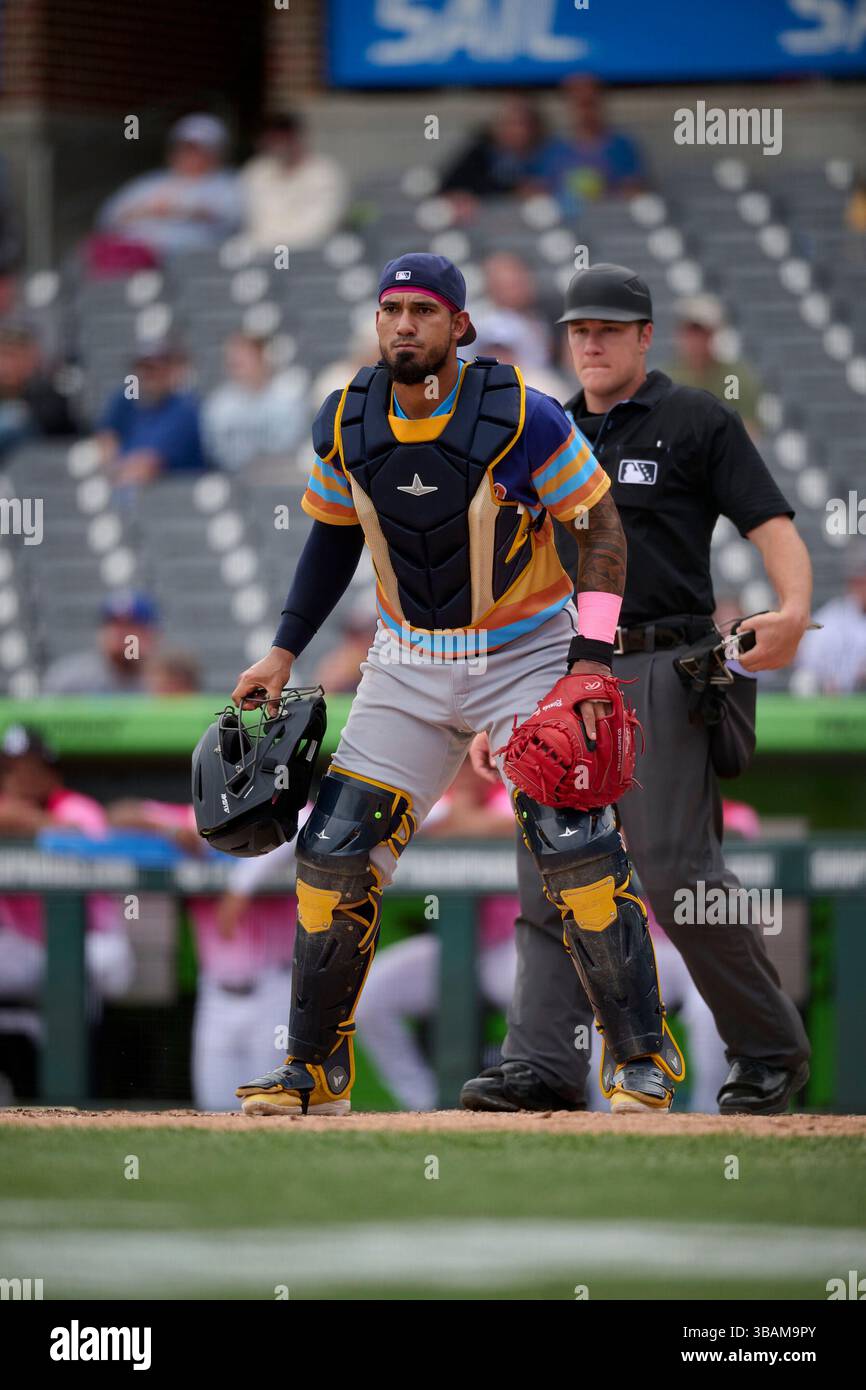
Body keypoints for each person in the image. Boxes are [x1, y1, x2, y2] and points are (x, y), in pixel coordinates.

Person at [229, 250, 685, 1118]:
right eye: (391, 309)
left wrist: (588, 660)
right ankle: (314, 1071)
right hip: (407, 661)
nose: (405, 324)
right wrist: (284, 650)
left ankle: (639, 1058)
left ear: (459, 326)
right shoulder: (345, 420)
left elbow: (599, 529)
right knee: (331, 857)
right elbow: (331, 539)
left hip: (524, 652)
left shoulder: (522, 415)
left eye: (424, 311)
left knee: (576, 846)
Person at [461, 263, 813, 1117]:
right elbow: (519, 575)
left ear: (645, 336)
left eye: (609, 329)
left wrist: (795, 610)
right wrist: (495, 694)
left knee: (673, 872)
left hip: (662, 662)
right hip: (558, 669)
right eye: (580, 329)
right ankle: (543, 1064)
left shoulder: (695, 417)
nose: (591, 342)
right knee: (552, 870)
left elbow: (770, 524)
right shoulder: (541, 430)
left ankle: (767, 1051)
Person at [355, 759, 518, 1111]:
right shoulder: (434, 802)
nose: (460, 776)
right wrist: (455, 818)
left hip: (511, 947)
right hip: (451, 948)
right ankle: (423, 1102)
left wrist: (462, 820)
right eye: (454, 767)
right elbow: (394, 829)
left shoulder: (506, 794)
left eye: (466, 766)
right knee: (369, 999)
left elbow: (505, 826)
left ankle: (539, 1100)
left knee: (540, 1001)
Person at [0, 725, 133, 1100]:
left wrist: (30, 823)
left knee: (86, 964)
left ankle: (76, 1082)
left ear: (51, 773)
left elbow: (79, 835)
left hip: (88, 947)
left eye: (30, 768)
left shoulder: (76, 806)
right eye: (12, 769)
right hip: (22, 953)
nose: (21, 778)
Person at [95, 113, 243, 260]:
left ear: (216, 153)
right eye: (183, 148)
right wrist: (146, 210)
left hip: (192, 263)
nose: (188, 155)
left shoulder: (228, 184)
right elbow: (108, 216)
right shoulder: (151, 181)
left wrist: (180, 209)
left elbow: (232, 218)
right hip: (130, 258)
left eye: (196, 150)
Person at [94, 340, 209, 489]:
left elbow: (146, 467)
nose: (146, 375)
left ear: (171, 370)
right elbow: (106, 442)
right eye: (141, 368)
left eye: (153, 368)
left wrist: (114, 471)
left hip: (175, 501)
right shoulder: (125, 400)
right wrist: (111, 467)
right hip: (135, 494)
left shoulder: (185, 409)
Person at [241, 112, 349, 255]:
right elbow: (254, 219)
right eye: (273, 138)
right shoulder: (256, 172)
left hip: (313, 251)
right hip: (265, 249)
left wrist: (283, 246)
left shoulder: (325, 172)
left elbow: (323, 223)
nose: (279, 144)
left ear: (297, 137)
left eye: (284, 137)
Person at [201, 332, 308, 474]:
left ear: (262, 357)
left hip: (280, 476)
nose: (239, 365)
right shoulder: (218, 405)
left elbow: (295, 444)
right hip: (232, 477)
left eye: (245, 358)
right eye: (234, 361)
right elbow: (214, 451)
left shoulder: (288, 397)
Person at [540, 76, 647, 215]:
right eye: (579, 104)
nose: (585, 113)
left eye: (590, 104)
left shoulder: (622, 147)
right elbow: (539, 189)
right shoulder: (554, 150)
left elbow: (635, 190)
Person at [439, 95, 558, 218]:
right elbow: (452, 186)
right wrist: (512, 191)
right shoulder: (480, 152)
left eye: (522, 124)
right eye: (510, 124)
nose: (516, 131)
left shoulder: (551, 152)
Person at [663, 294, 762, 436]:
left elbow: (748, 428)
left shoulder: (733, 378)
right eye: (689, 331)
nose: (694, 339)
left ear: (714, 334)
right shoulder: (665, 379)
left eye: (700, 332)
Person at [42, 591, 159, 695]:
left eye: (131, 626)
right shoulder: (71, 679)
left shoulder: (166, 682)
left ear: (149, 633)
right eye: (113, 625)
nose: (121, 634)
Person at [793, 543, 866, 694]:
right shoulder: (831, 618)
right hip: (833, 702)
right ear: (854, 582)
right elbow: (807, 664)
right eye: (861, 581)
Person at [0, 319, 78, 455]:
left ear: (31, 359)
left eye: (15, 356)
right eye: (4, 355)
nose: (8, 364)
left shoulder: (50, 396)